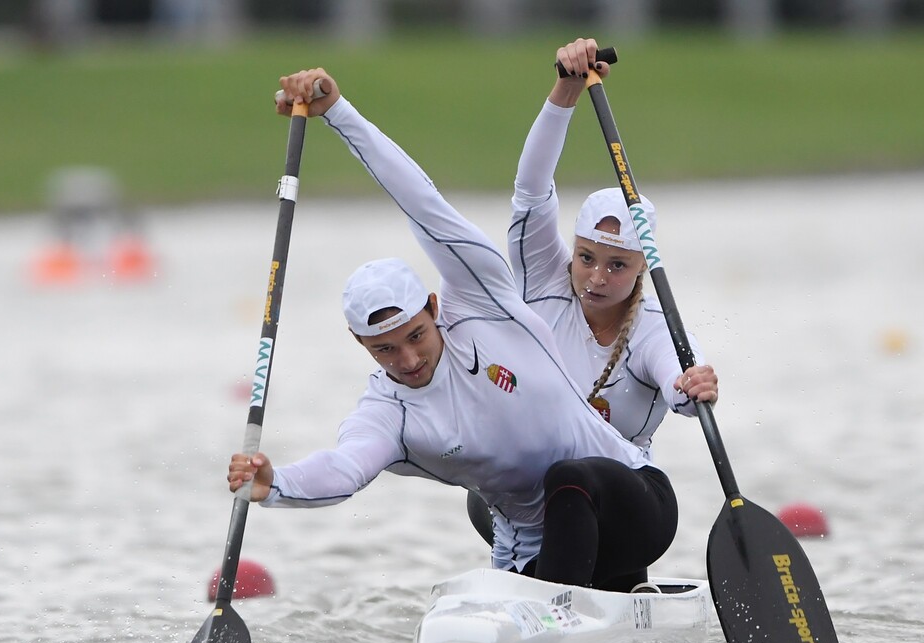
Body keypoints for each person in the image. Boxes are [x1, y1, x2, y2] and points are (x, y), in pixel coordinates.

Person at [228, 67, 679, 592]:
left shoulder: (480, 301)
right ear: (361, 344)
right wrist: (275, 483)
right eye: (384, 350)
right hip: (540, 546)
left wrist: (338, 114)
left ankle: (560, 608)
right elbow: (345, 468)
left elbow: (420, 202)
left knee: (569, 477)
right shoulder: (388, 413)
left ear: (434, 308)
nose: (408, 360)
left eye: (416, 336)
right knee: (525, 531)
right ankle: (597, 600)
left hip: (634, 505)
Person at [466, 38, 720, 546]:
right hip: (543, 498)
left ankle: (572, 582)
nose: (596, 278)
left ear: (643, 267)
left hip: (631, 508)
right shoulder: (543, 279)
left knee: (571, 477)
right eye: (586, 258)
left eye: (617, 265)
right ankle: (567, 579)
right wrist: (566, 89)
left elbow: (677, 381)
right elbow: (531, 188)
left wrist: (691, 387)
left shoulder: (652, 328)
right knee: (491, 484)